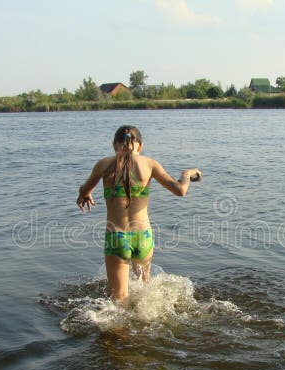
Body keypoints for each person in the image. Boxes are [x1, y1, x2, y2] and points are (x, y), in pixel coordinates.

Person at [77, 125, 201, 304]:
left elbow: (84, 191)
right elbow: (180, 190)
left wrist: (85, 193)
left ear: (114, 145)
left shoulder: (103, 165)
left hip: (116, 237)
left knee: (119, 299)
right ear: (140, 146)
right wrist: (187, 173)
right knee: (146, 295)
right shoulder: (149, 164)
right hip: (143, 236)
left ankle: (120, 332)